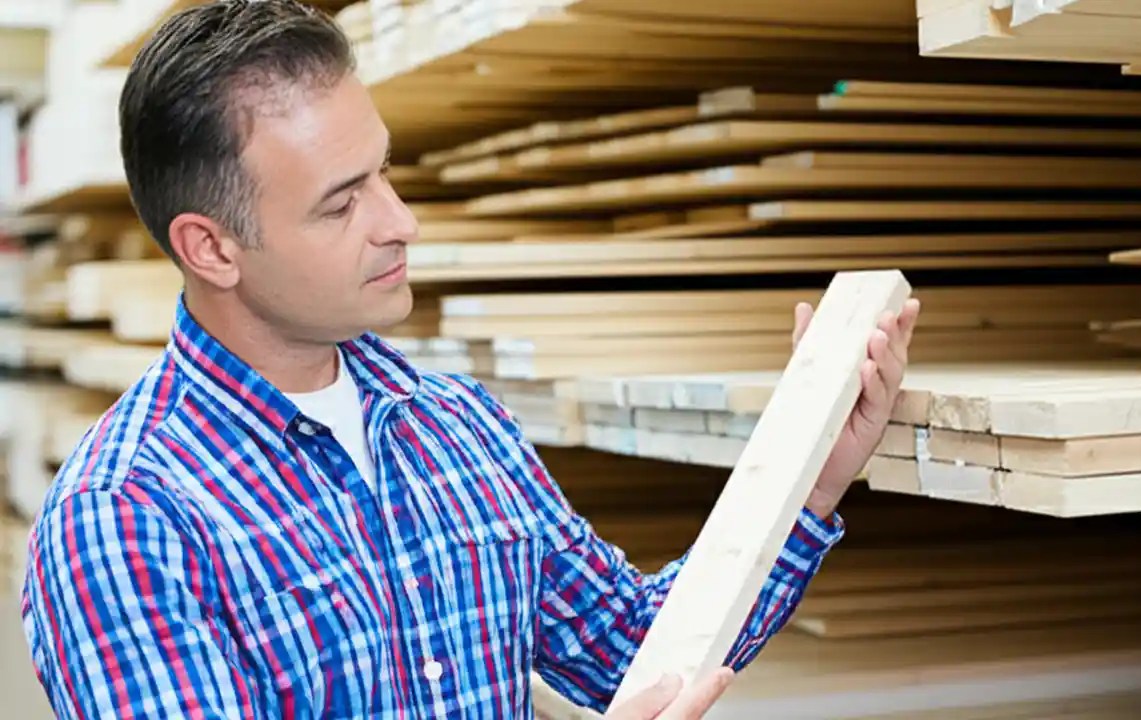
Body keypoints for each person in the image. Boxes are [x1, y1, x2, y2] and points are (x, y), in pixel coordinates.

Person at [20, 1, 921, 718]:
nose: (399, 220)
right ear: (211, 248)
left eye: (384, 172)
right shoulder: (125, 524)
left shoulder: (455, 422)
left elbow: (633, 653)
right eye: (342, 205)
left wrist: (808, 479)